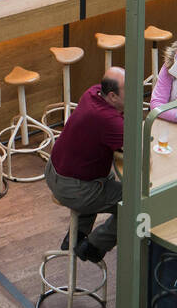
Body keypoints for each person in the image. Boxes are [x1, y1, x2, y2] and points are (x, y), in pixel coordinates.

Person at [44, 66, 125, 264]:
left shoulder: (92, 93)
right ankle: (95, 246)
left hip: (54, 171)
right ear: (112, 96)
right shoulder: (109, 120)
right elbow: (137, 153)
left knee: (105, 179)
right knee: (136, 203)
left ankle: (76, 236)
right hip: (74, 188)